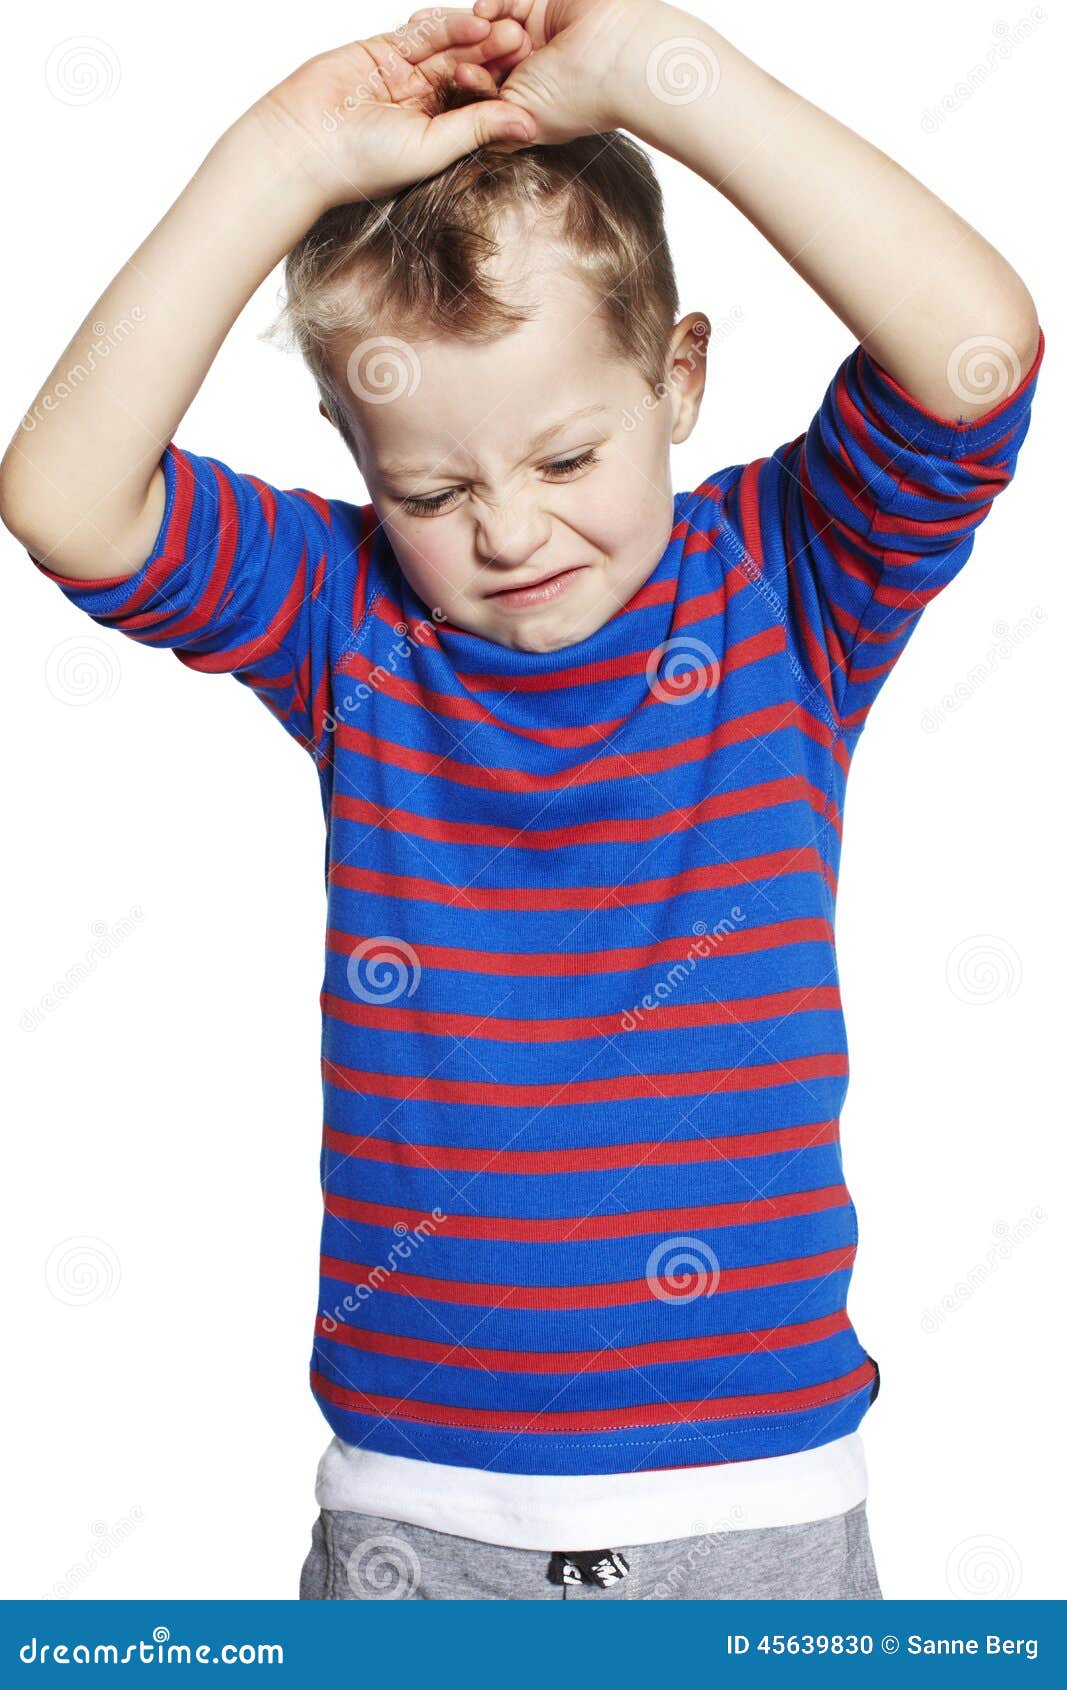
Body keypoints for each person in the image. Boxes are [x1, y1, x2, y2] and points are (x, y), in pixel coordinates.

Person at [0, 0, 1041, 1601]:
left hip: (753, 1505)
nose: (506, 532)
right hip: (421, 1517)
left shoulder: (789, 586)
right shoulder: (350, 621)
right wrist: (278, 160)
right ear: (357, 452)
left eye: (566, 459)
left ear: (678, 377)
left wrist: (661, 74)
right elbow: (67, 500)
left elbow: (976, 359)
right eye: (431, 487)